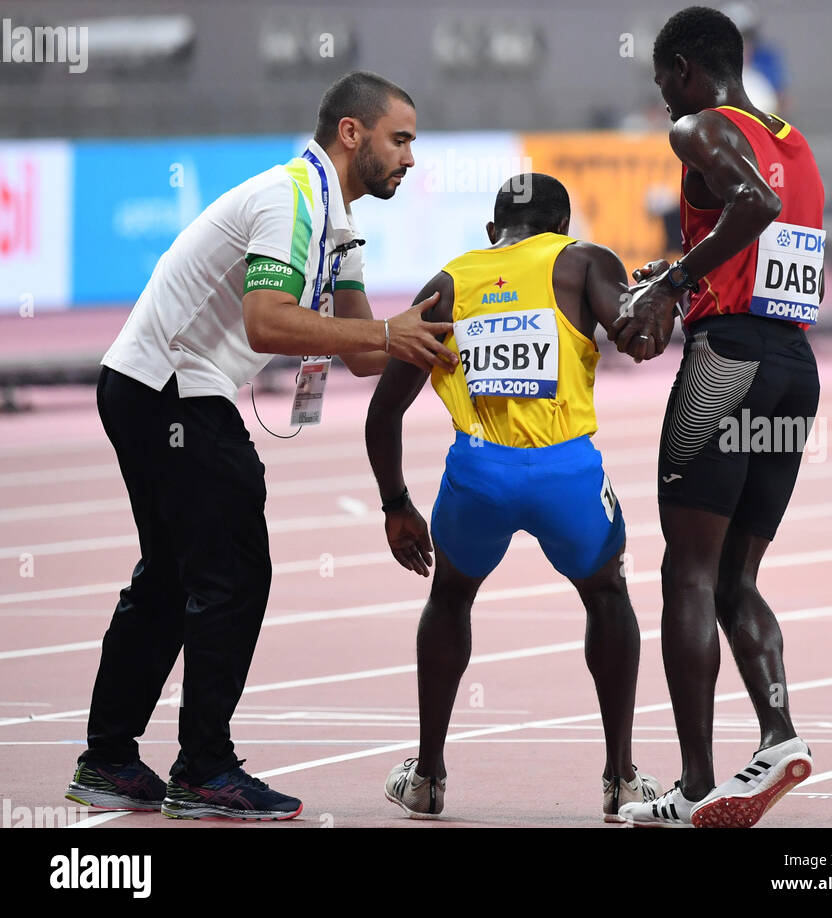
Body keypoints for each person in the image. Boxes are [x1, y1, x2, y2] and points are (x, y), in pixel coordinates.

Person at [67, 71, 457, 822]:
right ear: (352, 133)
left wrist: (446, 327)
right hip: (170, 390)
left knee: (170, 579)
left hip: (156, 388)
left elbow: (369, 353)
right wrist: (383, 333)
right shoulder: (291, 200)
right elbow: (266, 324)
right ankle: (205, 767)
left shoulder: (338, 222)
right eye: (400, 139)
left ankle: (109, 759)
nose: (410, 158)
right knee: (233, 575)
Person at [364, 173, 661, 822]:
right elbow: (633, 333)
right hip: (568, 476)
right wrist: (664, 299)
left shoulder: (449, 283)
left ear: (494, 233)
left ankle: (429, 776)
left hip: (478, 477)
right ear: (562, 227)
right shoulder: (583, 261)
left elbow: (383, 413)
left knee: (450, 598)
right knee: (607, 594)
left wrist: (395, 505)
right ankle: (620, 778)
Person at [611, 6, 824, 829]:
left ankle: (696, 785)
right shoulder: (794, 137)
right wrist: (683, 271)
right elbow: (765, 216)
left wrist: (669, 286)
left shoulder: (699, 127)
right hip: (792, 370)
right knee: (735, 579)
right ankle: (778, 737)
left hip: (726, 364)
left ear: (688, 70)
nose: (665, 101)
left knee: (686, 575)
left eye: (665, 82)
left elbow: (754, 203)